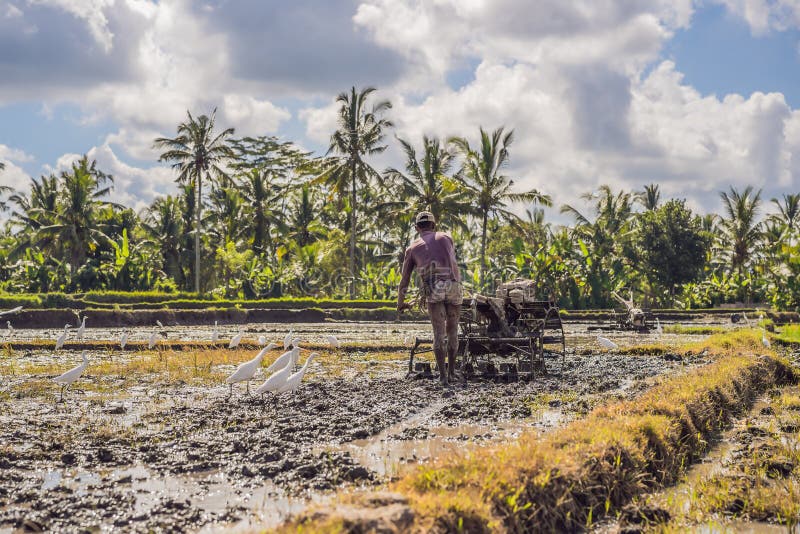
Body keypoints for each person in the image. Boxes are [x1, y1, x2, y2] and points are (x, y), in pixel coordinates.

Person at [397, 211, 462, 386]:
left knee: (439, 334)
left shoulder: (411, 248)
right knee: (453, 332)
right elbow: (450, 258)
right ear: (434, 225)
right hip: (454, 285)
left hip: (433, 287)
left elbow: (405, 279)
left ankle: (442, 377)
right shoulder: (447, 237)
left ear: (417, 228)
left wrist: (401, 303)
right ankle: (452, 372)